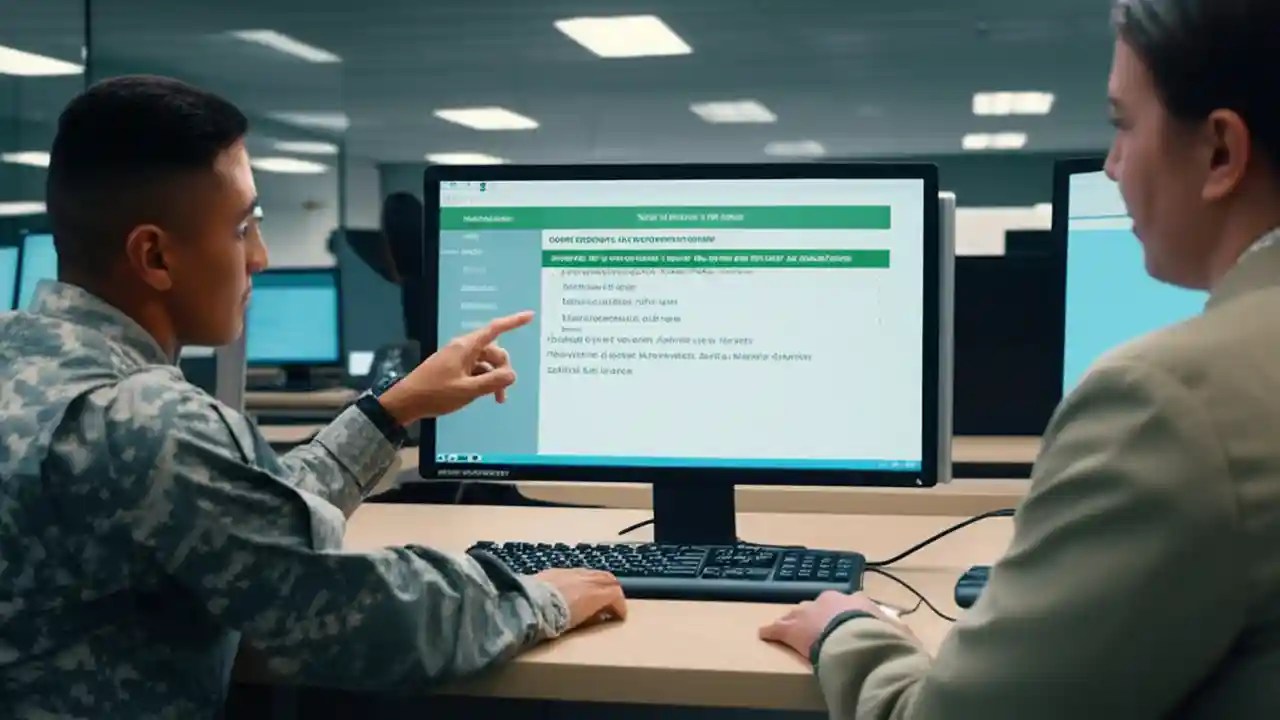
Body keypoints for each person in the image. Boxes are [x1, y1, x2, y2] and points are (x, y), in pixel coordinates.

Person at [0, 75, 626, 719]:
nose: (262, 257)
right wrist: (535, 599)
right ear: (155, 256)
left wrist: (392, 410)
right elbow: (357, 620)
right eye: (243, 227)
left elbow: (243, 518)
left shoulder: (22, 359)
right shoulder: (144, 420)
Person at [761, 0, 1280, 717]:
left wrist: (850, 632)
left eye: (1124, 125)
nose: (1112, 165)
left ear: (1221, 151)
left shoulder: (1172, 400)